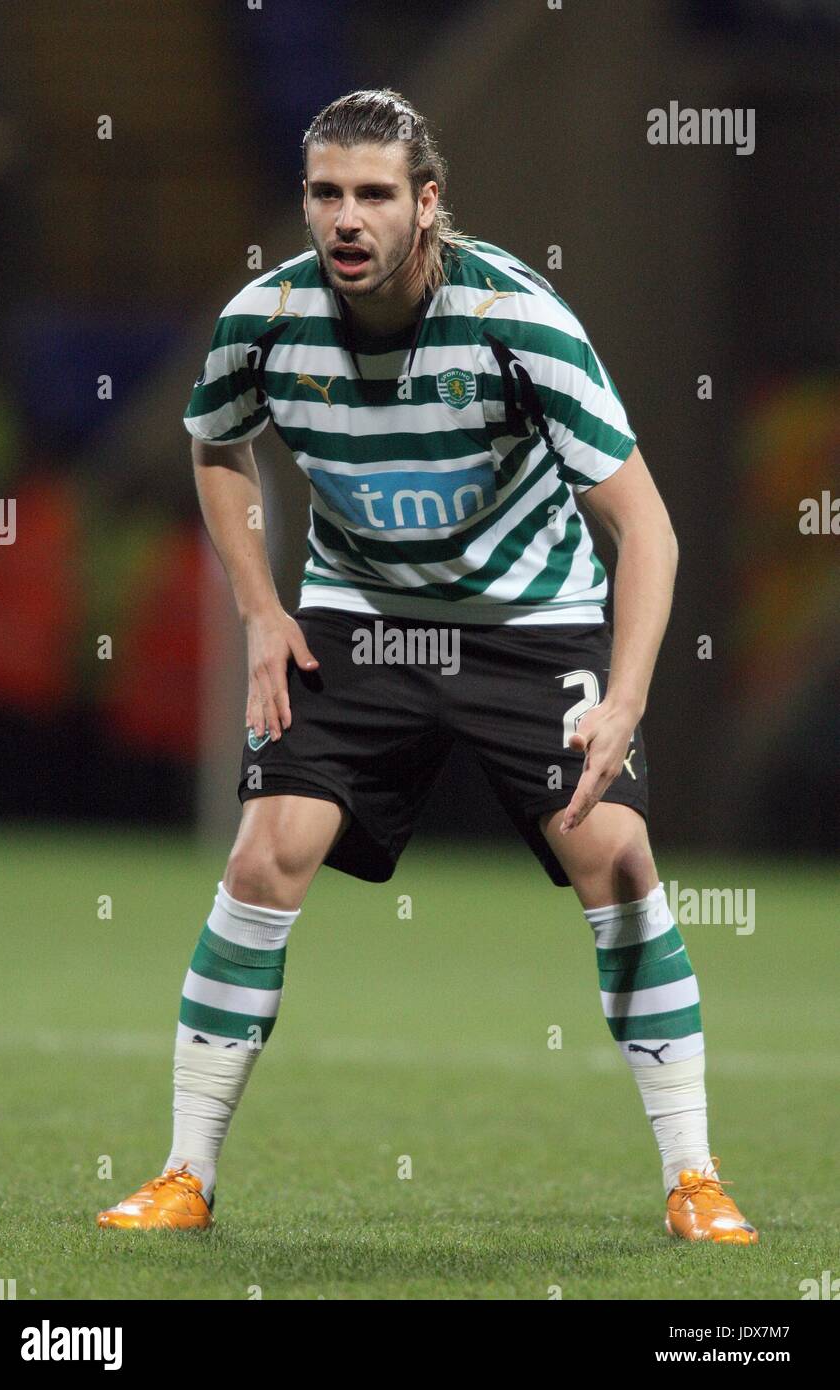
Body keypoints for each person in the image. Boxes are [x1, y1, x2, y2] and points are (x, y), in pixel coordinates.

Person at [98, 89, 757, 1243]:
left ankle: (693, 1179)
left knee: (616, 855)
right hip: (357, 613)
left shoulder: (517, 319)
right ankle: (184, 1178)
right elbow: (215, 445)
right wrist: (260, 607)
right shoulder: (264, 317)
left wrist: (625, 698)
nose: (345, 219)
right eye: (325, 193)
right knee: (265, 855)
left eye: (373, 194)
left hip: (529, 618)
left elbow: (645, 528)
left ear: (427, 204)